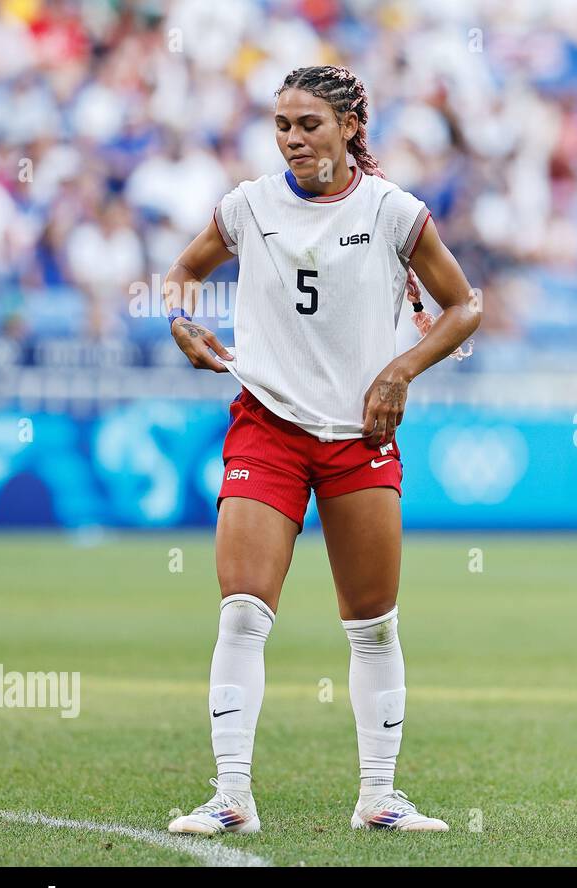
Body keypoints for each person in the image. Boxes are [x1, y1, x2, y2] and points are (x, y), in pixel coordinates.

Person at [162, 65, 480, 834]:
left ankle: (380, 799)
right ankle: (231, 796)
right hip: (266, 426)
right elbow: (181, 274)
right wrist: (180, 321)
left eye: (308, 125)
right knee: (242, 611)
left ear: (347, 128)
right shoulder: (248, 206)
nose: (293, 139)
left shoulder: (394, 212)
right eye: (282, 125)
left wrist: (402, 368)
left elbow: (464, 305)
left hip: (358, 436)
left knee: (372, 624)